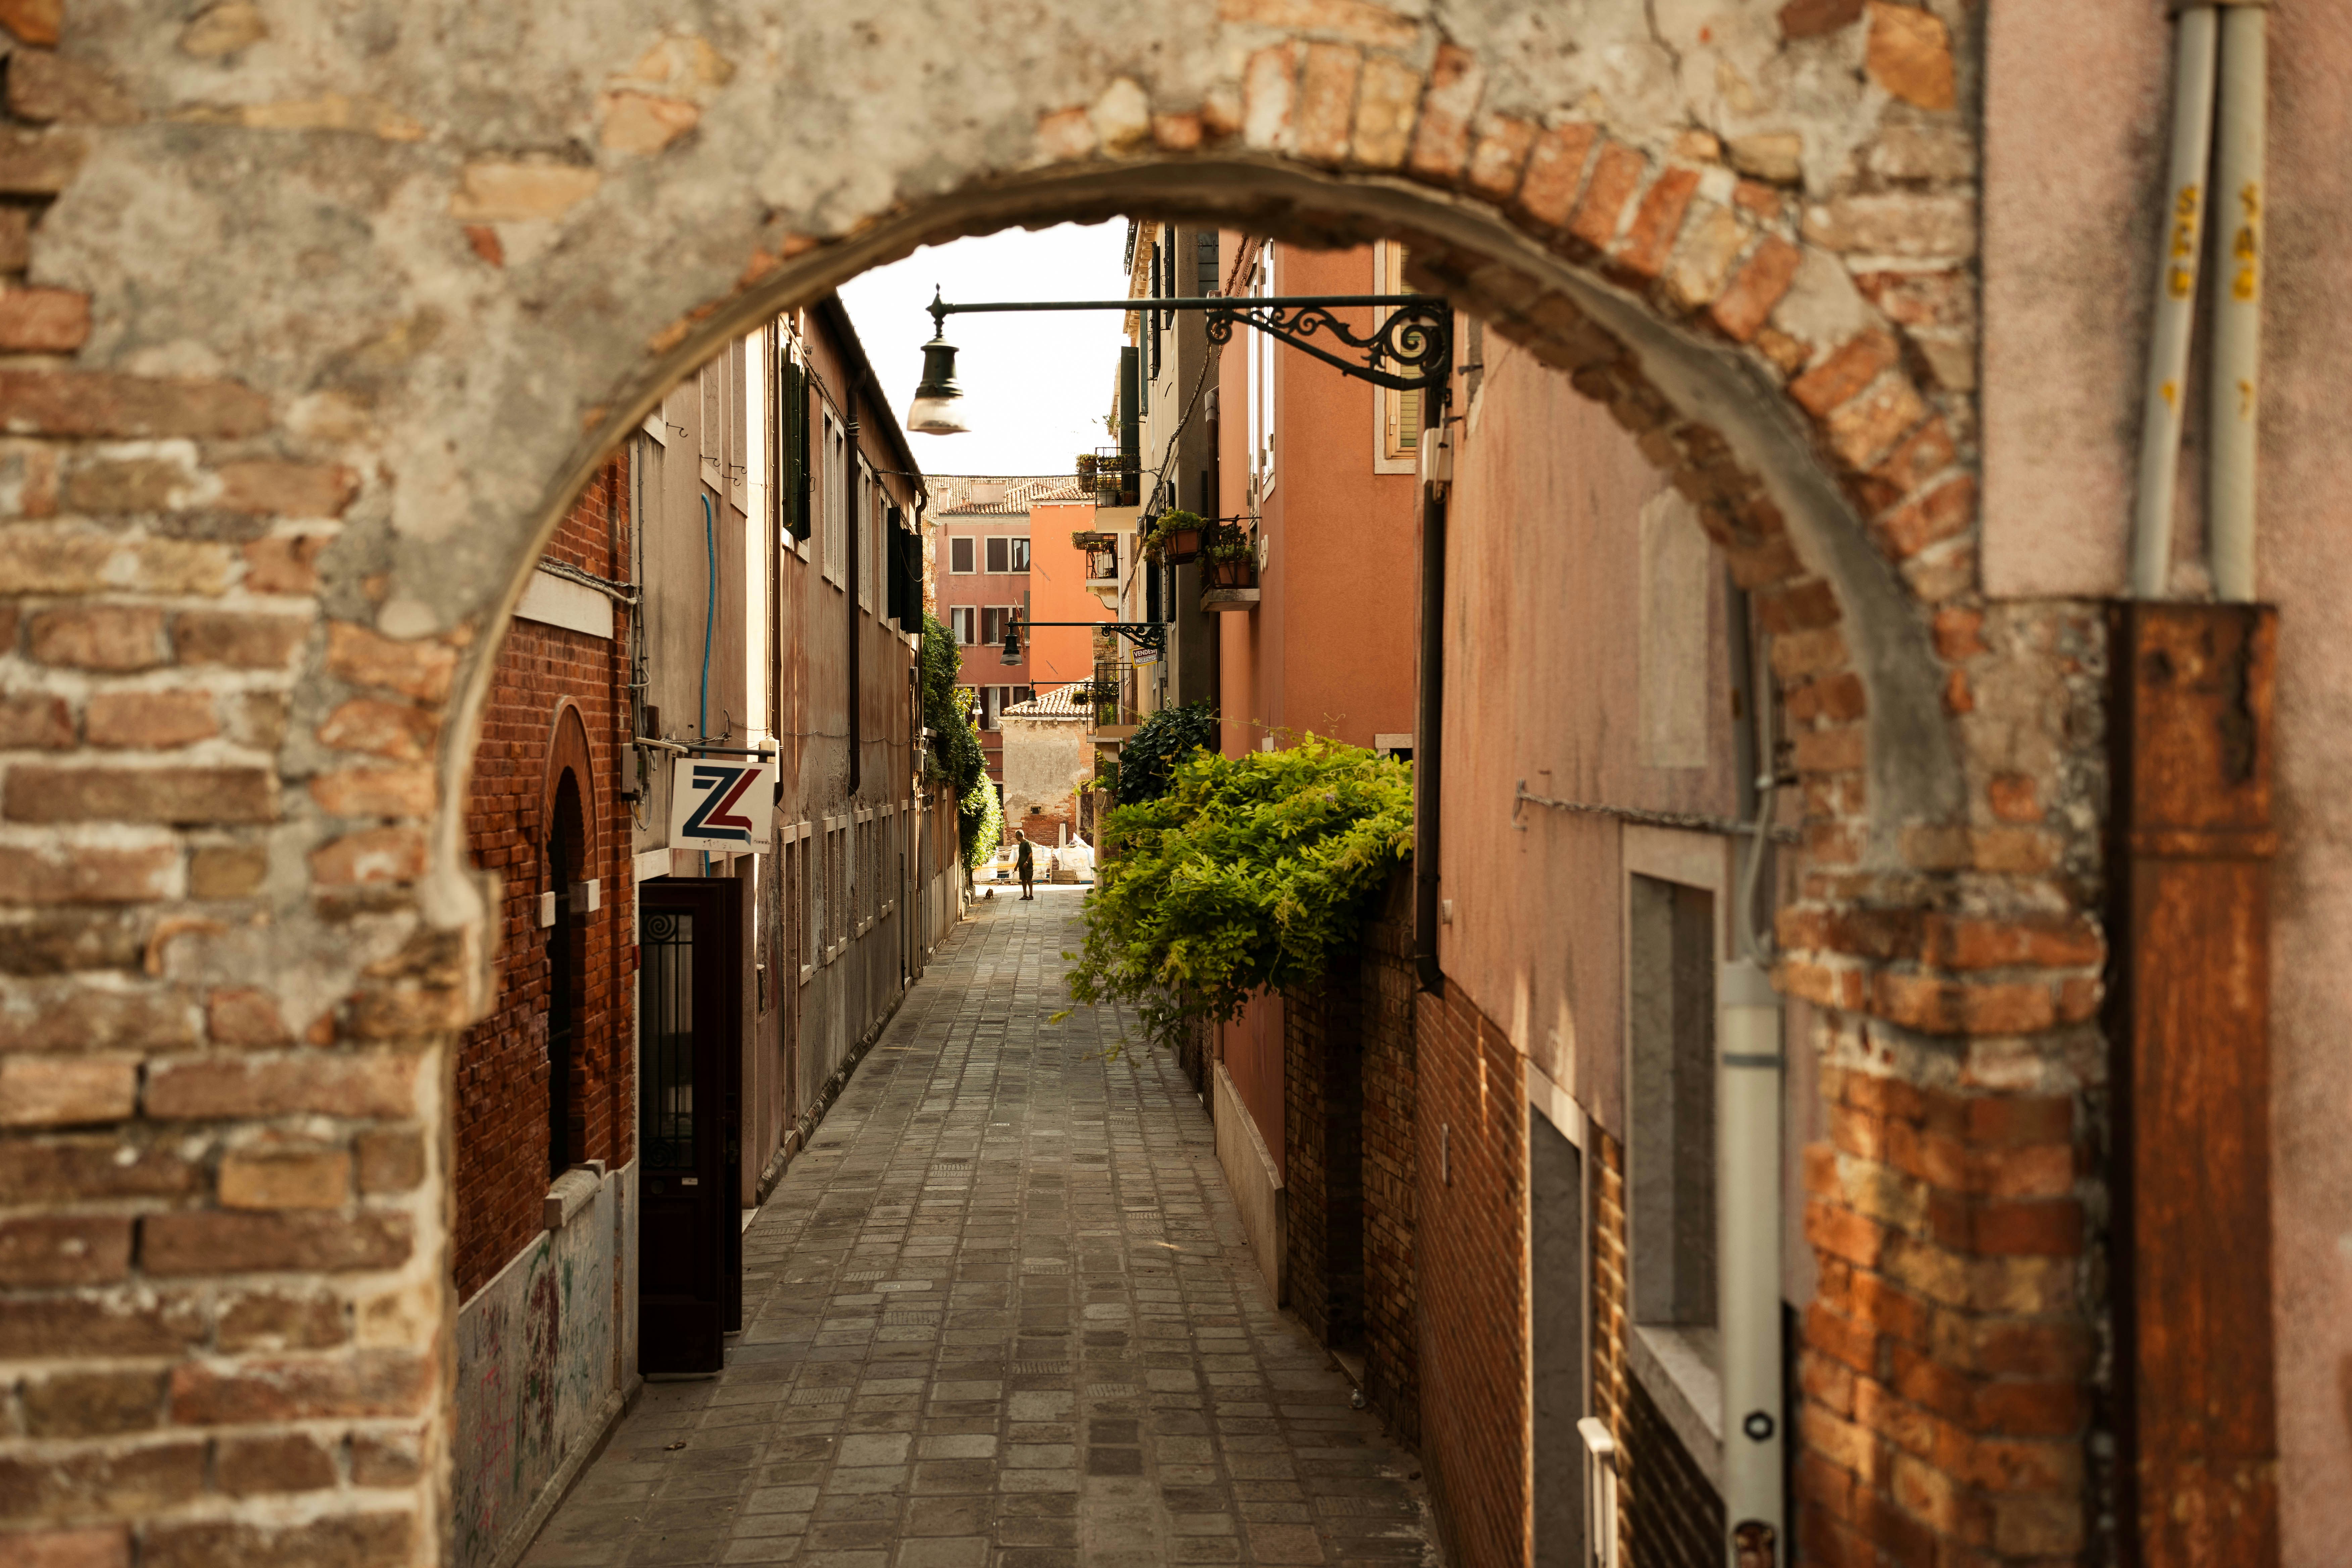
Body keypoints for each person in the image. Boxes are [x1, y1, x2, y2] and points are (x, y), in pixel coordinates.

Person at [1014, 830, 1035, 900]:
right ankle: (1025, 895)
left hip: (1028, 866)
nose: (1016, 838)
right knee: (1023, 880)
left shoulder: (1027, 843)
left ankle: (1031, 895)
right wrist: (1017, 866)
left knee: (1029, 880)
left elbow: (1030, 854)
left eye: (1017, 836)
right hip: (1021, 866)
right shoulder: (1021, 845)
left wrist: (1027, 862)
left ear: (1020, 836)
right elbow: (1020, 856)